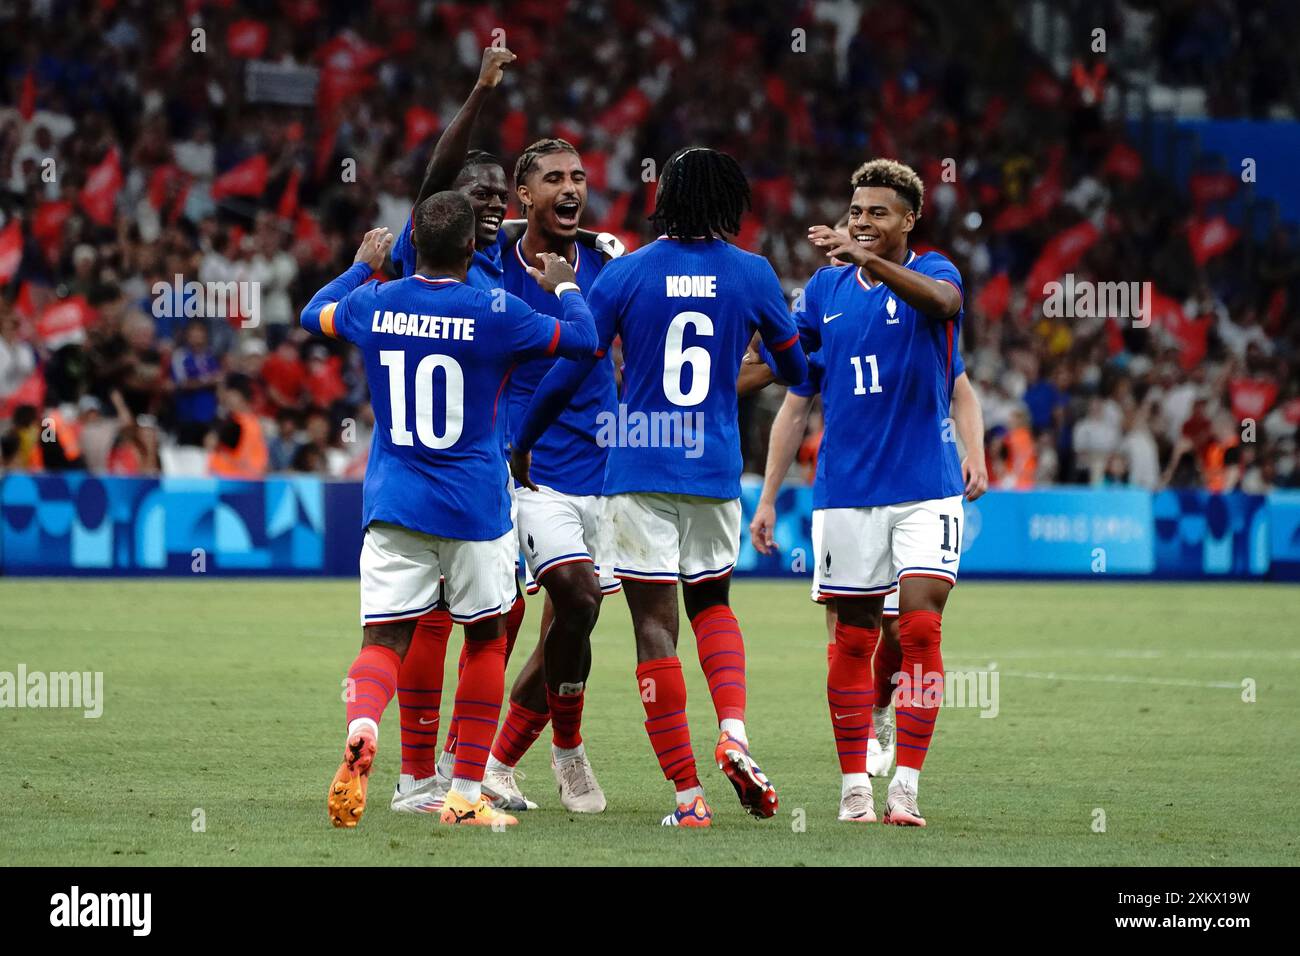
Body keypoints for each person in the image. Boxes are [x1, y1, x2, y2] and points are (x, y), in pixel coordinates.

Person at [511, 146, 807, 826]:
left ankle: (689, 797)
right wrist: (762, 349)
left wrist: (524, 439)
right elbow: (794, 367)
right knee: (713, 604)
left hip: (639, 467)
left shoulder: (627, 272)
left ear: (664, 196)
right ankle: (733, 731)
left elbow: (574, 363)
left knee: (653, 626)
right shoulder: (754, 273)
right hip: (713, 467)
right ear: (728, 200)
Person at [302, 193, 597, 829]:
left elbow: (310, 314)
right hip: (475, 508)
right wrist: (567, 286)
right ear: (472, 248)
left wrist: (360, 267)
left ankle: (361, 730)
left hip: (393, 503)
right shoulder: (495, 309)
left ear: (414, 247)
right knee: (487, 641)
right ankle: (464, 794)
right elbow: (585, 340)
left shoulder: (375, 301)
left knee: (382, 640)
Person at [792, 158, 968, 827]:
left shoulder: (937, 273)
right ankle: (854, 786)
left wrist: (864, 260)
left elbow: (944, 305)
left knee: (921, 625)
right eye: (857, 211)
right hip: (846, 491)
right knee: (854, 641)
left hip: (926, 485)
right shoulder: (824, 290)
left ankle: (907, 789)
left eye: (879, 213)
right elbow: (787, 364)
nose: (864, 222)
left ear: (909, 220)